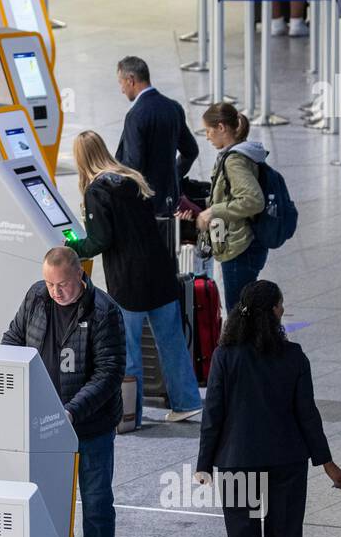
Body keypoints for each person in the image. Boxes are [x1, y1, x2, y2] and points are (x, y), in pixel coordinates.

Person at [195, 281, 341, 537]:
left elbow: (213, 413)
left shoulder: (226, 356)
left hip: (238, 463)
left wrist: (204, 464)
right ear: (275, 312)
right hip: (286, 463)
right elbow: (307, 415)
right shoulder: (294, 357)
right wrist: (326, 463)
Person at [1, 245, 125, 537]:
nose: (57, 292)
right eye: (50, 284)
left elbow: (109, 374)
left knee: (97, 505)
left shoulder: (104, 312)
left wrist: (71, 412)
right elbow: (13, 339)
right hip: (45, 428)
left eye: (64, 285)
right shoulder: (36, 297)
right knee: (54, 508)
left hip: (91, 429)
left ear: (80, 277)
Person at [68, 130, 201, 428]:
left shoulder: (96, 191)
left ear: (81, 158)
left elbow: (100, 240)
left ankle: (129, 415)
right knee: (172, 341)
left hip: (128, 281)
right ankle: (187, 402)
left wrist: (73, 246)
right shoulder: (131, 179)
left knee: (128, 349)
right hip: (161, 272)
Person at [194, 104, 267, 314]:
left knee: (237, 312)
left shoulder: (235, 160)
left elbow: (253, 200)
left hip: (240, 245)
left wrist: (213, 211)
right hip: (243, 242)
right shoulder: (237, 154)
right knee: (245, 308)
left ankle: (243, 346)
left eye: (208, 131)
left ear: (221, 127)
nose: (207, 137)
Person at [115, 56, 199, 215]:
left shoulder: (136, 116)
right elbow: (191, 151)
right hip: (170, 200)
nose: (122, 89)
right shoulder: (173, 107)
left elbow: (133, 165)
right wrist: (173, 175)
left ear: (130, 80)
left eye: (121, 82)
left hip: (145, 205)